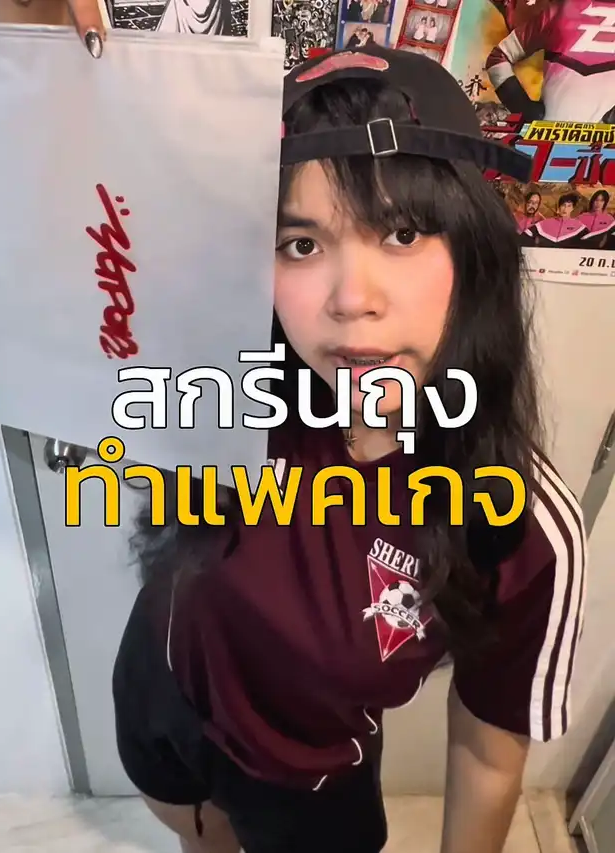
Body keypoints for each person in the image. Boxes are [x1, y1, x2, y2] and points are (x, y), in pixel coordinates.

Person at [67, 21, 586, 853]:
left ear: (475, 247)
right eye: (301, 243)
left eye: (402, 233)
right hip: (159, 710)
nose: (351, 297)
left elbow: (490, 748)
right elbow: (56, 222)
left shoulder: (519, 518)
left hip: (303, 786)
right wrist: (30, 23)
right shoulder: (221, 382)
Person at [484, 0, 615, 123]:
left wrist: (524, 108)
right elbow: (499, 57)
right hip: (549, 132)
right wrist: (523, 107)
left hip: (561, 131)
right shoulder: (558, 12)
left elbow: (498, 57)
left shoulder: (558, 12)